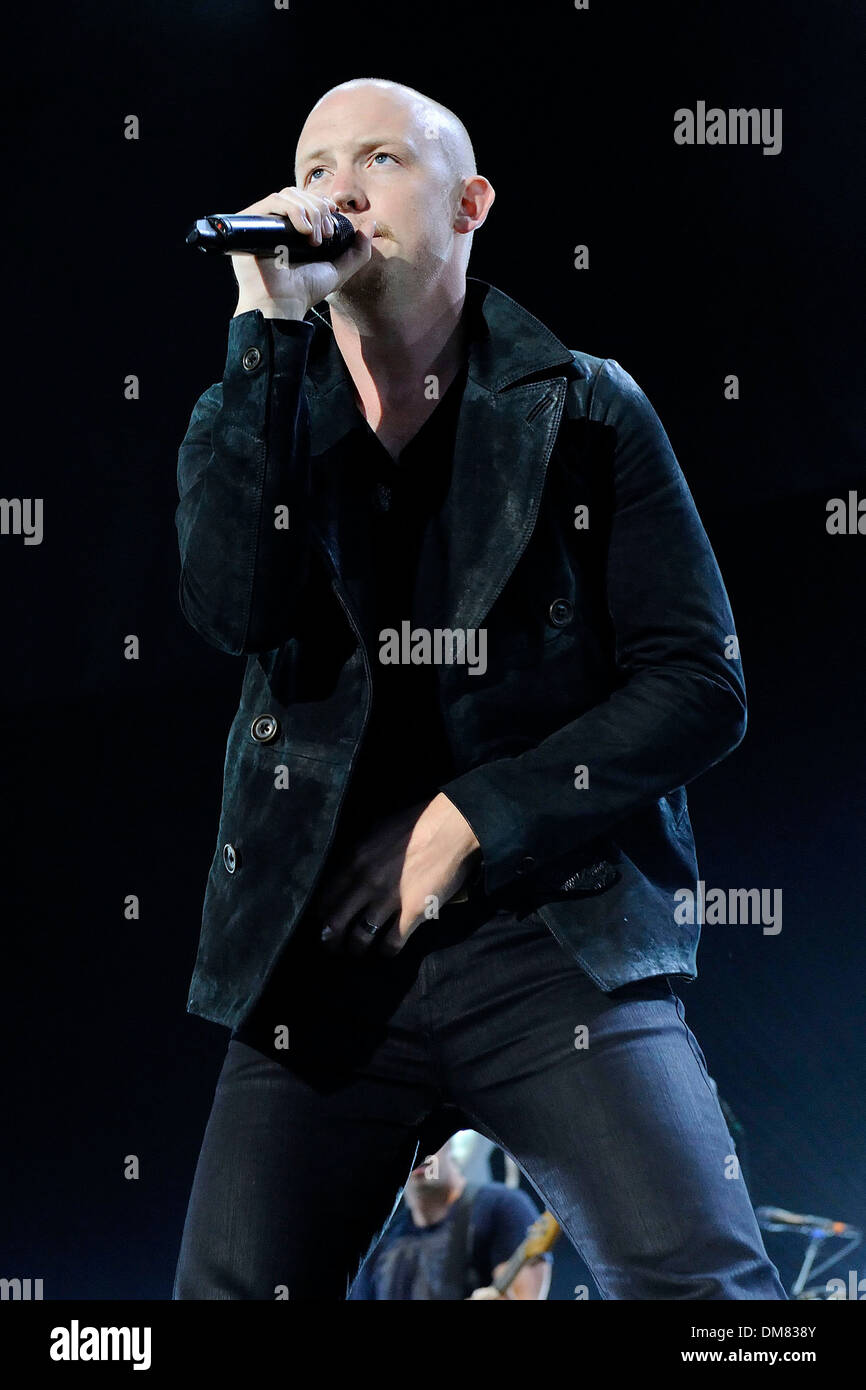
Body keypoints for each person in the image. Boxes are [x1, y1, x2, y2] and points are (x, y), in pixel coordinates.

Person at [172, 76, 787, 1301]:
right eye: (312, 164)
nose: (334, 186)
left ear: (469, 202)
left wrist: (470, 818)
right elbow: (229, 609)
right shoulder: (251, 407)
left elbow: (697, 684)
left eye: (378, 159)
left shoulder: (587, 409)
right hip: (325, 965)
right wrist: (268, 331)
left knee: (703, 1289)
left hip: (548, 938)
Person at [348, 1140, 552, 1300]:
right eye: (410, 1143)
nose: (420, 1152)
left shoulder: (501, 1207)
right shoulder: (377, 1246)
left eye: (430, 1137)